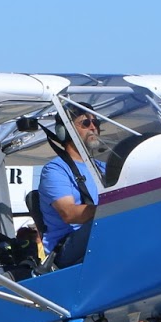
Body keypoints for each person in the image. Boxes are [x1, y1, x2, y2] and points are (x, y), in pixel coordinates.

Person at [37, 112, 102, 269]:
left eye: (96, 122)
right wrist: (115, 210)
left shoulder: (102, 168)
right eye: (85, 123)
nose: (93, 127)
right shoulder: (55, 170)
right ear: (64, 131)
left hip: (98, 233)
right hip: (66, 248)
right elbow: (69, 213)